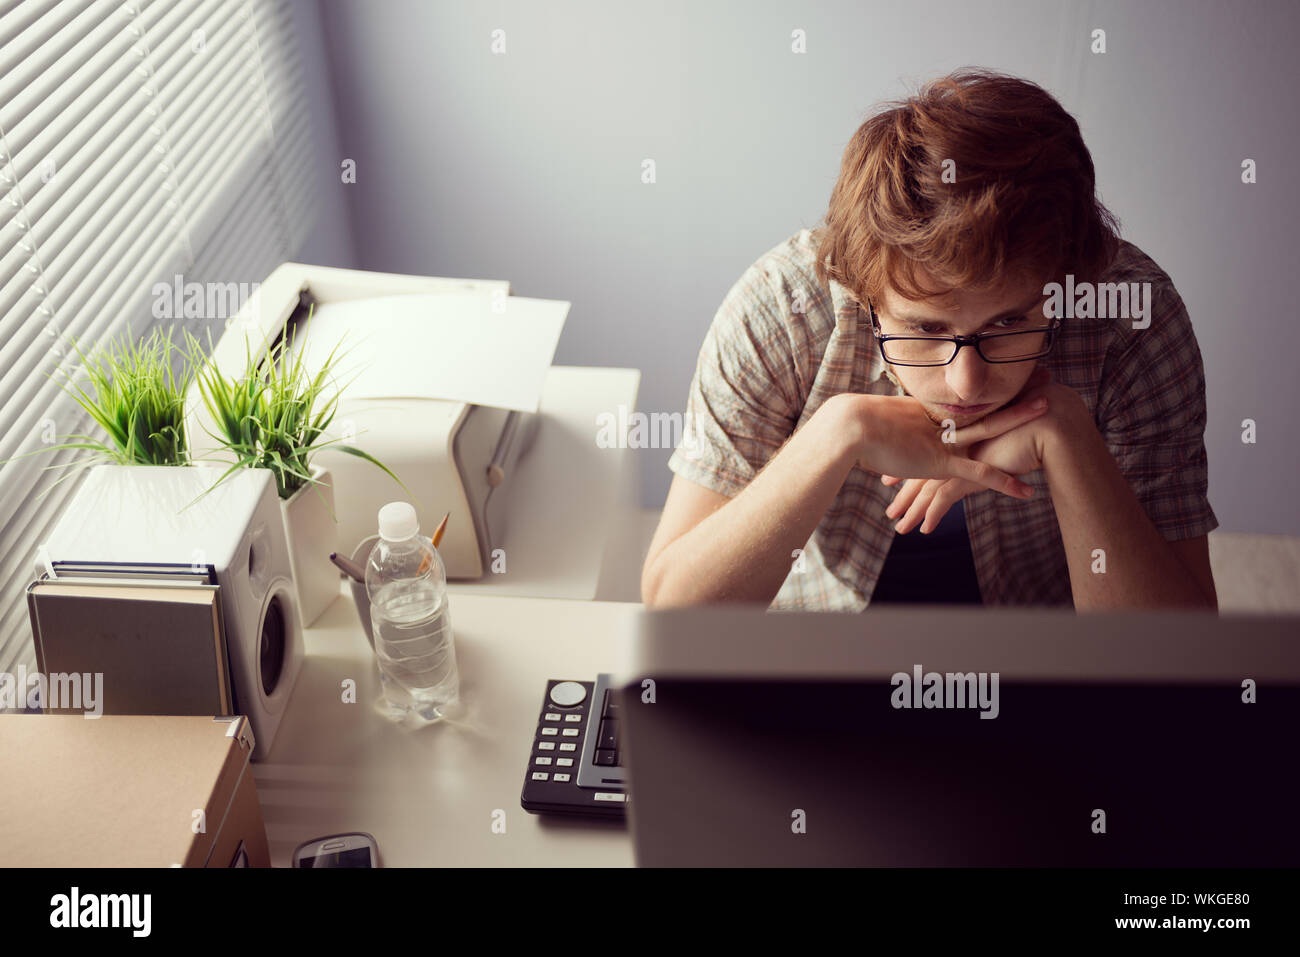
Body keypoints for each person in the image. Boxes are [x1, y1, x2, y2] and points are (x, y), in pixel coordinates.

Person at [641, 68, 1218, 612]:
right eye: (924, 329)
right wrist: (835, 436)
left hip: (1043, 660)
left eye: (1009, 323)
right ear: (863, 293)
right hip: (815, 647)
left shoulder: (1130, 319)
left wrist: (1067, 437)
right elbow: (674, 612)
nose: (965, 383)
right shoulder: (782, 311)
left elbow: (1176, 671)